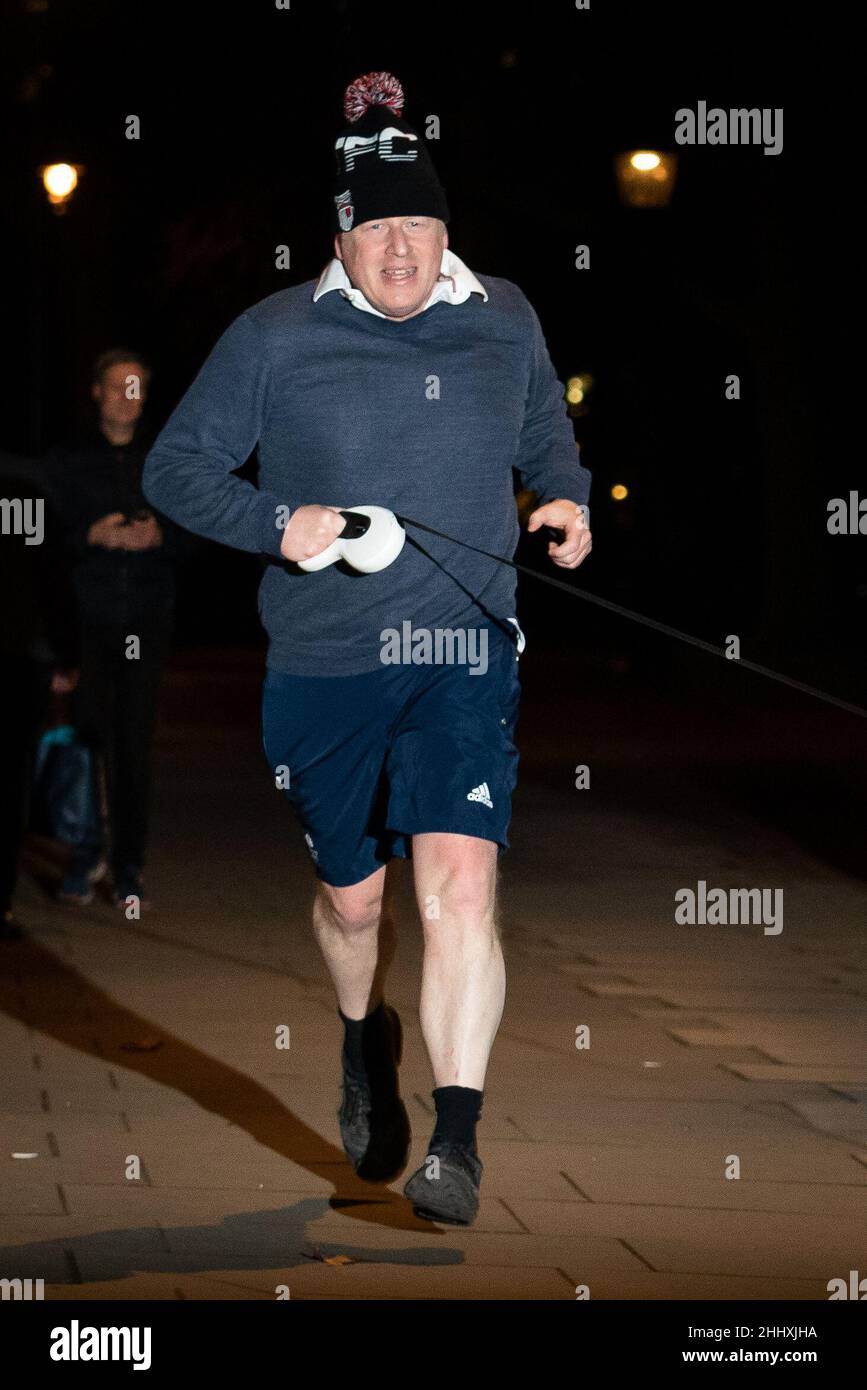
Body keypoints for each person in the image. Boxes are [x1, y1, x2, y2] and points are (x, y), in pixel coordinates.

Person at [143, 71, 592, 1226]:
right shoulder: (274, 334)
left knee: (460, 884)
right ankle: (361, 1037)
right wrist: (273, 524)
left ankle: (455, 1140)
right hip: (324, 666)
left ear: (448, 231)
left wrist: (567, 495)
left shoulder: (505, 314)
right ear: (342, 233)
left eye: (420, 224)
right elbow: (174, 468)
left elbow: (548, 427)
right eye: (377, 225)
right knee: (355, 905)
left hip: (465, 651)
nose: (400, 247)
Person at [46, 348, 176, 909]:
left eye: (138, 387)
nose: (129, 397)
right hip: (87, 622)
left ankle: (129, 867)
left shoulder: (165, 459)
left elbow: (205, 533)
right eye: (118, 386)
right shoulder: (68, 460)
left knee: (134, 748)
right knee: (85, 740)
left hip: (145, 622)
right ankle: (82, 852)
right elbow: (40, 538)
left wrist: (161, 537)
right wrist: (89, 537)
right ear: (97, 392)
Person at [0, 450, 78, 938]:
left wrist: (63, 652)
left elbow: (49, 580)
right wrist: (65, 655)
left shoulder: (22, 489)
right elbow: (51, 581)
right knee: (10, 782)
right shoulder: (23, 489)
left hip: (14, 660)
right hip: (15, 660)